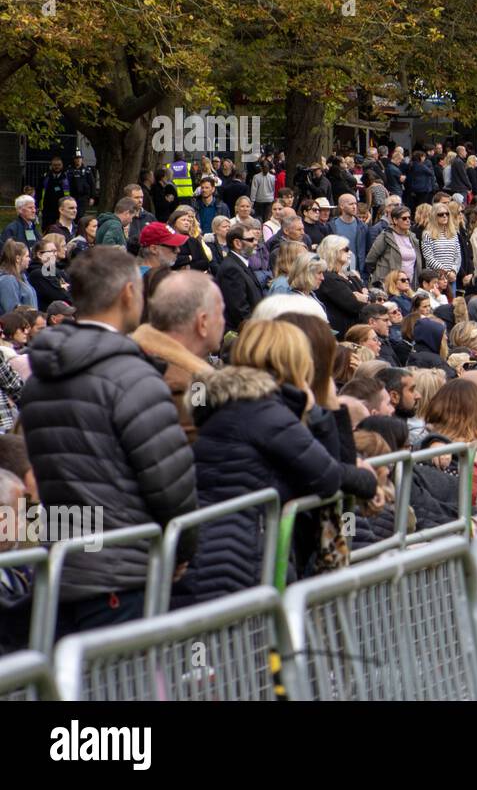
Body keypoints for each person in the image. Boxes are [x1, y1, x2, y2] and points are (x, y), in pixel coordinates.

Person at [20, 247, 197, 634]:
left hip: (65, 562)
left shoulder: (39, 380)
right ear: (128, 295)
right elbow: (170, 482)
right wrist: (183, 549)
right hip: (121, 571)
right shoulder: (134, 379)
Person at [172, 320, 379, 605]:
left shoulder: (233, 405)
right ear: (294, 362)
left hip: (215, 549)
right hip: (236, 557)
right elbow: (329, 477)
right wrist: (330, 413)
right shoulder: (266, 413)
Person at [130, 270, 222, 442]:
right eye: (220, 313)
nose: (223, 322)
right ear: (202, 323)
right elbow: (196, 441)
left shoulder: (130, 355)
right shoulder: (195, 382)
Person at [216, 220, 265, 331]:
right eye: (251, 240)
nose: (255, 243)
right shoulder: (231, 269)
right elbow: (239, 310)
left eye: (256, 239)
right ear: (237, 243)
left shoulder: (241, 263)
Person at [30, 235, 73, 310]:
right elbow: (59, 296)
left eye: (55, 251)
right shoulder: (38, 273)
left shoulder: (54, 270)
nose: (55, 254)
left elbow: (72, 288)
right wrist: (63, 287)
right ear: (40, 254)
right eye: (52, 251)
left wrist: (65, 287)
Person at [0, 242, 38, 314]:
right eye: (27, 256)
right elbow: (11, 311)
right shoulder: (7, 280)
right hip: (20, 324)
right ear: (17, 258)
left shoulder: (22, 277)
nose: (29, 259)